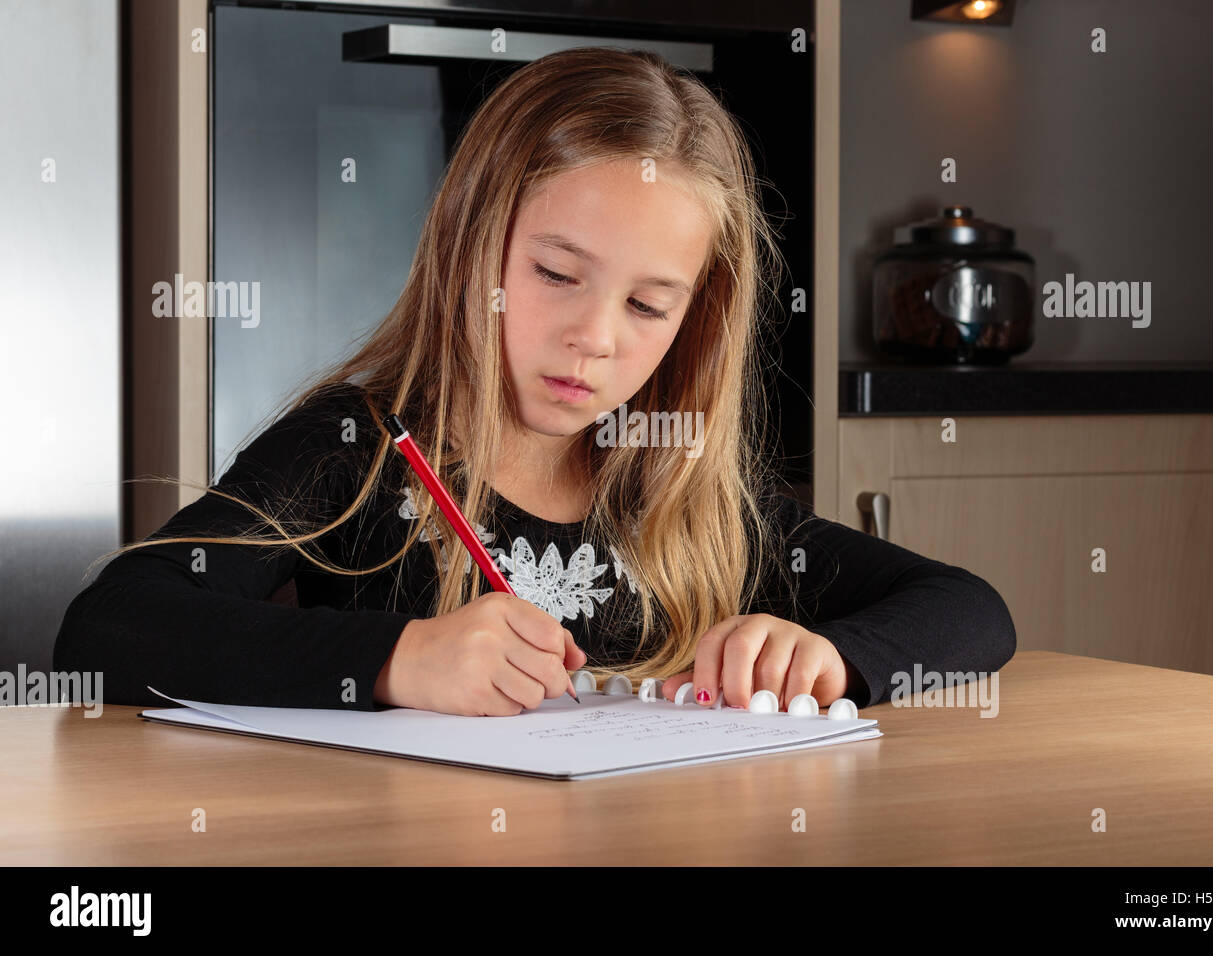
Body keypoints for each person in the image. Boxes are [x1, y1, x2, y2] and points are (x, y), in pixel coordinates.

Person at [54, 48, 1015, 717]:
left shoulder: (681, 485)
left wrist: (834, 657)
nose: (593, 339)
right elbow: (108, 628)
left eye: (649, 306)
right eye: (557, 275)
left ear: (696, 322)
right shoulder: (359, 445)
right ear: (473, 245)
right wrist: (395, 661)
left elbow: (971, 607)